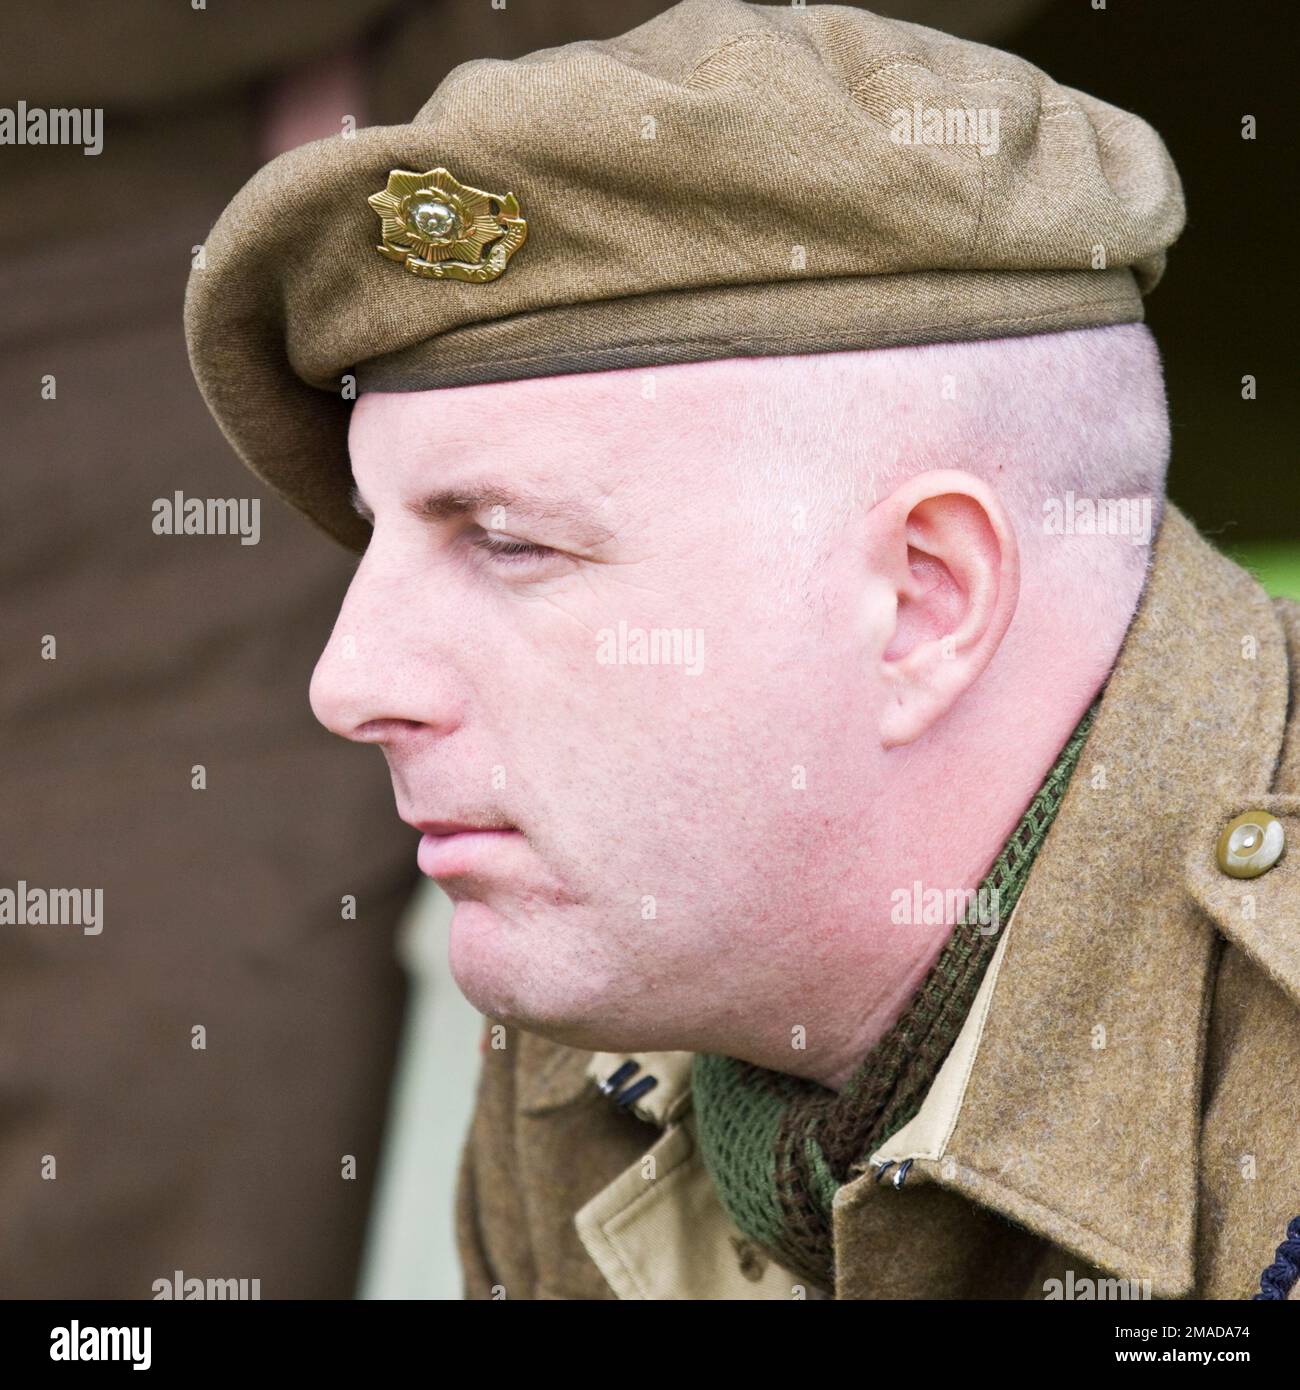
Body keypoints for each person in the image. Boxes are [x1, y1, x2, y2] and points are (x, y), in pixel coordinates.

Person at [184, 0, 1300, 1300]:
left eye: (506, 541)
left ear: (924, 602)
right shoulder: (605, 1023)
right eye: (378, 538)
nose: (350, 682)